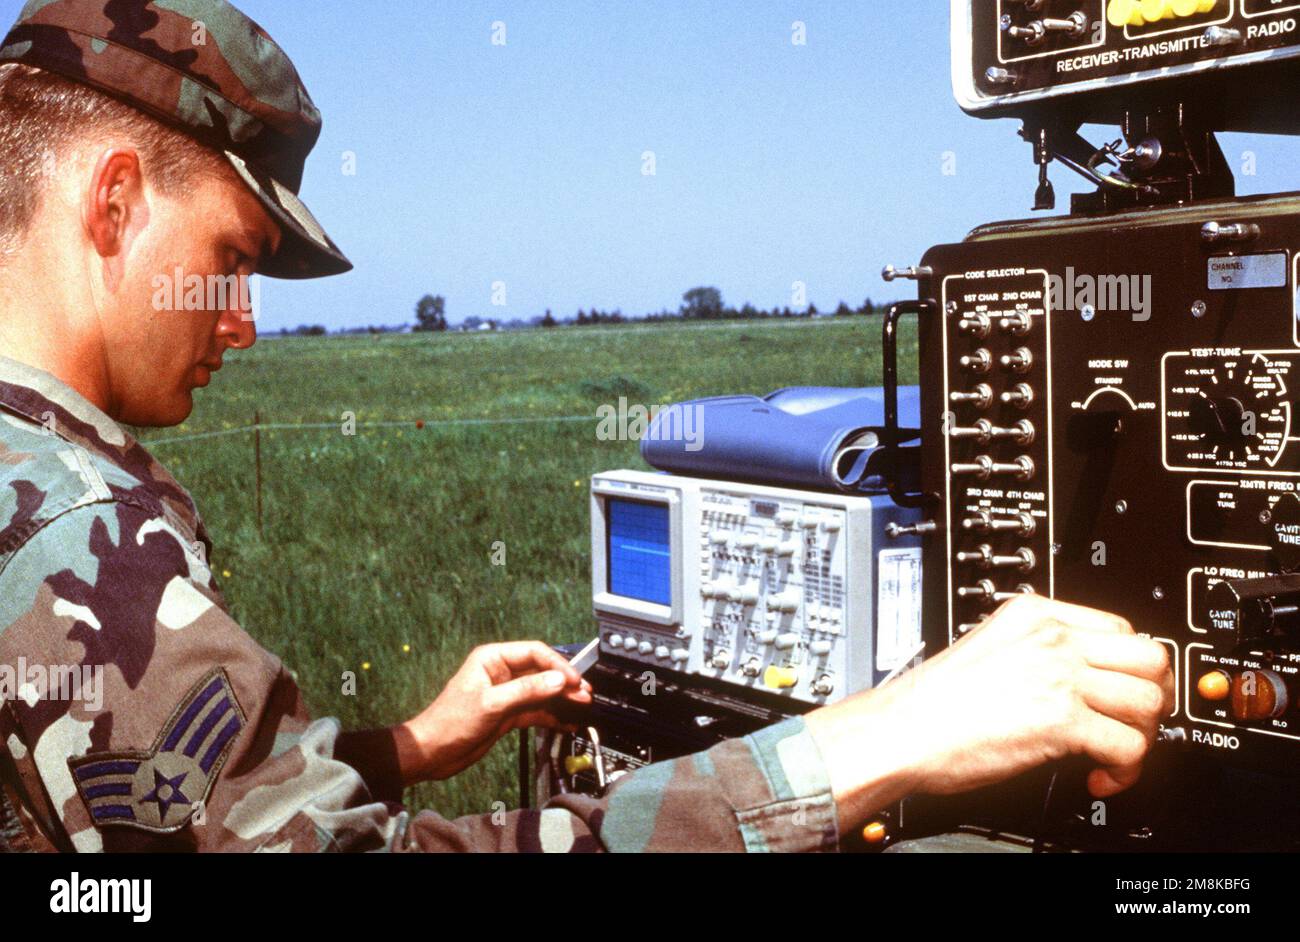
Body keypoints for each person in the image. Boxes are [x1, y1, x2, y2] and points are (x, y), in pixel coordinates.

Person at [0, 0, 1174, 853]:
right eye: (234, 260)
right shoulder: (71, 528)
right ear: (114, 202)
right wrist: (866, 745)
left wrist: (407, 748)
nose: (243, 323)